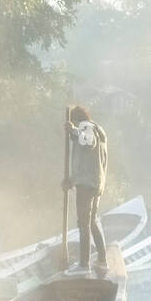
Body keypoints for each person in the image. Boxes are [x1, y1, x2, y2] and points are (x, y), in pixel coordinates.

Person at [62, 105, 108, 275]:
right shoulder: (97, 130)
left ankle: (84, 264)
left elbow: (88, 142)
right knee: (92, 222)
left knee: (84, 224)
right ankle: (102, 259)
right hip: (95, 184)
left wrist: (73, 130)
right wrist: (70, 181)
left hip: (87, 185)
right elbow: (86, 162)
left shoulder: (86, 127)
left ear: (76, 119)